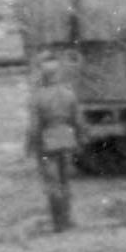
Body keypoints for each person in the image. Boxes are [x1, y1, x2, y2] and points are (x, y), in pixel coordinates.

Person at [26, 57, 83, 232]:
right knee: (65, 182)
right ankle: (68, 218)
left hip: (47, 142)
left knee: (52, 183)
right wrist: (79, 140)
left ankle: (58, 223)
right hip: (67, 140)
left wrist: (30, 146)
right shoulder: (69, 94)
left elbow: (35, 127)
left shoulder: (37, 98)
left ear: (43, 76)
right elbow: (78, 121)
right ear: (58, 75)